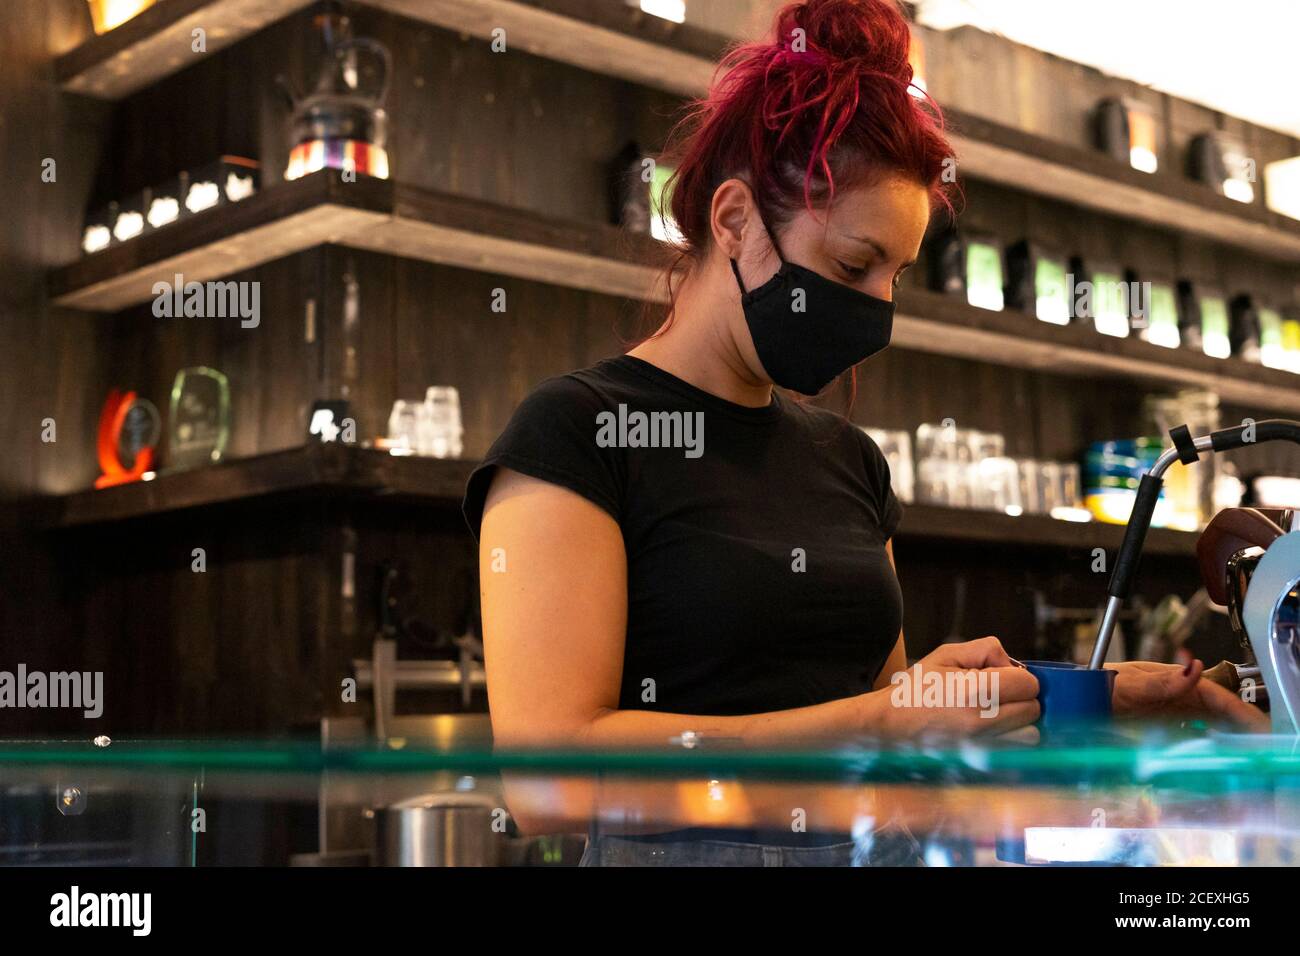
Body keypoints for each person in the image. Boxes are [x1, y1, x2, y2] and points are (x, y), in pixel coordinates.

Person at [461, 0, 1265, 866]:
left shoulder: (847, 459)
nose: (878, 303)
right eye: (853, 265)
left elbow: (898, 748)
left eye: (897, 275)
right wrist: (885, 717)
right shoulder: (577, 433)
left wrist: (1080, 701)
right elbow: (546, 783)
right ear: (733, 222)